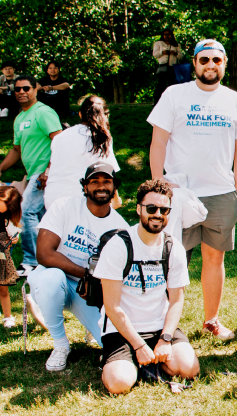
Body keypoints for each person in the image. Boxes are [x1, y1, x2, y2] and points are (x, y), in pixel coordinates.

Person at [148, 38, 237, 341]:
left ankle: (211, 320)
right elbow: (157, 143)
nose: (211, 65)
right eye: (204, 59)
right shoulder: (174, 95)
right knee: (168, 258)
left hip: (221, 194)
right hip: (178, 193)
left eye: (216, 60)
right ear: (194, 63)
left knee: (214, 259)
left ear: (225, 64)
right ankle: (160, 322)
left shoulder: (235, 100)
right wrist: (159, 185)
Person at [96, 179, 199, 394]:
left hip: (159, 327)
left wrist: (166, 338)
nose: (158, 214)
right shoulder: (118, 245)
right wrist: (139, 345)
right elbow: (112, 306)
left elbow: (176, 300)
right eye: (151, 208)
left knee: (189, 369)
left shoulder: (174, 248)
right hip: (121, 330)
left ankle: (149, 359)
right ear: (138, 209)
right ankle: (126, 361)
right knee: (119, 384)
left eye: (164, 209)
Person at [28, 162, 128, 371]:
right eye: (94, 181)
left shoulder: (121, 228)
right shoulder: (64, 206)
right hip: (56, 281)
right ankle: (61, 344)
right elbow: (44, 254)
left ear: (114, 187)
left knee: (114, 347)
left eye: (107, 181)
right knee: (52, 278)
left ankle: (93, 328)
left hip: (90, 292)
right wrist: (86, 274)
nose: (101, 186)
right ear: (85, 187)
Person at [0, 75, 63, 276]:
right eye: (17, 89)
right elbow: (16, 151)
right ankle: (50, 257)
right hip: (33, 173)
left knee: (26, 211)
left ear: (36, 89)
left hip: (45, 173)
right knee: (43, 217)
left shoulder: (43, 112)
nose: (21, 92)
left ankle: (32, 261)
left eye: (26, 88)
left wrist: (48, 171)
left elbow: (60, 142)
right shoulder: (20, 118)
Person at [44, 96, 120, 211]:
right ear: (106, 115)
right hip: (81, 201)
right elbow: (108, 172)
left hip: (52, 200)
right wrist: (116, 200)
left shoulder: (60, 137)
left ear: (80, 114)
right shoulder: (101, 137)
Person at [0, 186, 22, 328]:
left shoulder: (5, 219)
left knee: (3, 288)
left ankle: (8, 316)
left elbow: (14, 231)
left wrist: (14, 238)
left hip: (1, 255)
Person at [152, 29, 181, 104]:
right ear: (162, 35)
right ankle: (157, 101)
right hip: (163, 65)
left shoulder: (176, 44)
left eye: (168, 34)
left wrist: (174, 53)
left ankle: (172, 102)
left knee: (172, 85)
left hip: (173, 66)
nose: (167, 36)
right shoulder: (158, 43)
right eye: (165, 34)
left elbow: (181, 57)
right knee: (161, 84)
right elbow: (155, 54)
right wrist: (163, 52)